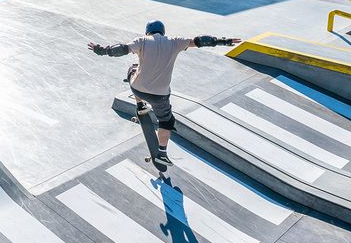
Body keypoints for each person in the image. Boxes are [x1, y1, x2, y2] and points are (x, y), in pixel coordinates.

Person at [87, 21, 238, 166]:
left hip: (137, 88)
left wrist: (102, 50)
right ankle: (162, 154)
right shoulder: (175, 41)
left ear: (148, 31)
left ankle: (140, 105)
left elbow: (121, 49)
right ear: (163, 31)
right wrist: (223, 41)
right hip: (159, 96)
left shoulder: (142, 40)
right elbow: (199, 41)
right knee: (166, 122)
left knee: (132, 70)